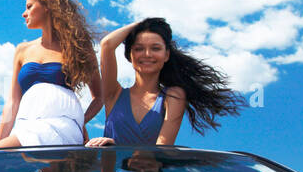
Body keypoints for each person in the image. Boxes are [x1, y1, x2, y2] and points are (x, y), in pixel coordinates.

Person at [86, 17, 242, 147]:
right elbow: (107, 44)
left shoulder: (173, 96)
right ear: (129, 55)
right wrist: (143, 23)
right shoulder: (114, 93)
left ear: (166, 55)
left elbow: (161, 151)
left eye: (155, 48)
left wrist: (117, 148)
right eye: (139, 48)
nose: (147, 54)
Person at [0, 0, 103, 149]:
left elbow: (99, 97)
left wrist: (79, 120)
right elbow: (13, 102)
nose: (24, 13)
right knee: (8, 166)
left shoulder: (78, 46)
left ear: (48, 5)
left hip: (62, 127)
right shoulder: (22, 50)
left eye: (29, 7)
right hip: (26, 126)